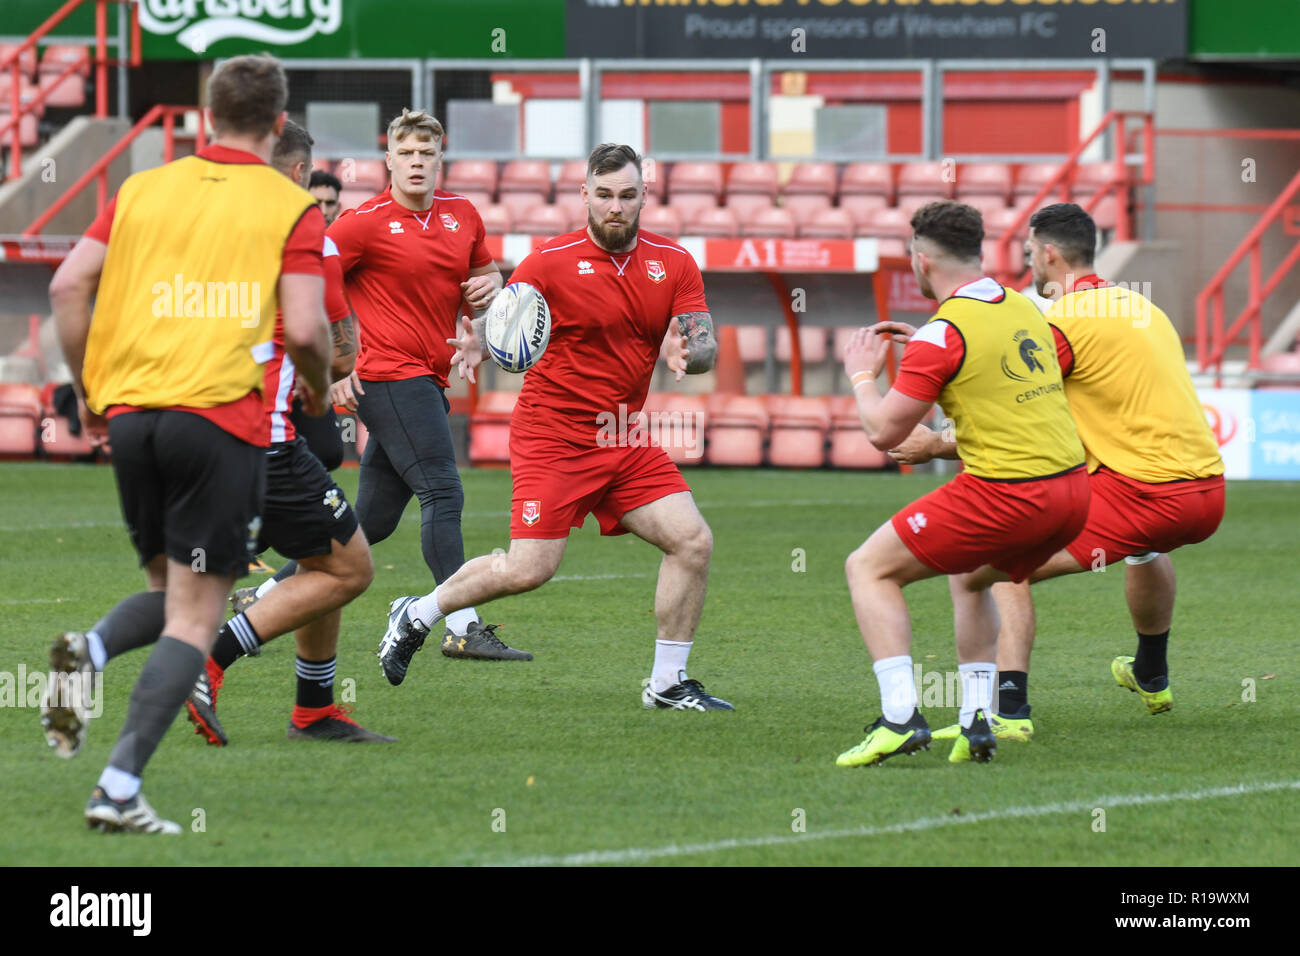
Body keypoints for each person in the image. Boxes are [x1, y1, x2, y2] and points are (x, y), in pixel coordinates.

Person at [44, 54, 332, 833]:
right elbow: (305, 326)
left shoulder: (142, 187)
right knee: (195, 618)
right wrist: (321, 384)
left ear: (206, 116)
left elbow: (68, 285)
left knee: (174, 593)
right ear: (277, 126)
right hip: (219, 420)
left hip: (134, 414)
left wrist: (90, 391)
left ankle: (93, 652)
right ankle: (116, 787)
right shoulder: (287, 203)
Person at [376, 142, 733, 711]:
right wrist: (480, 344)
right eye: (605, 195)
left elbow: (705, 340)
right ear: (585, 196)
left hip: (621, 432)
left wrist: (694, 353)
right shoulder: (551, 259)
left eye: (628, 195)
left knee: (691, 541)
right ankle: (416, 613)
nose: (616, 207)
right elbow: (509, 324)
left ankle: (668, 684)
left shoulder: (675, 262)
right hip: (553, 435)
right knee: (528, 569)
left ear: (644, 197)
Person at [888, 203, 1225, 741]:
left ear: (1048, 253)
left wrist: (935, 441)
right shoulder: (1139, 307)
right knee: (1145, 549)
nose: (1029, 269)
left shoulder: (1066, 321)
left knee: (995, 561)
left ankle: (1010, 710)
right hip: (1206, 492)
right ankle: (1151, 674)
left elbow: (1021, 413)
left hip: (1144, 493)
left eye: (1029, 256)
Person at [834, 200, 1089, 768]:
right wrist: (929, 345)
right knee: (970, 577)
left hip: (1010, 492)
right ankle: (977, 721)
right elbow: (1001, 382)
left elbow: (882, 432)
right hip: (1073, 493)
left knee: (867, 568)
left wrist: (860, 374)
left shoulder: (942, 335)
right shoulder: (1025, 307)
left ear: (920, 262)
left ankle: (900, 719)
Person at [182, 120, 392, 747]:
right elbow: (344, 354)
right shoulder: (306, 234)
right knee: (352, 570)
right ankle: (211, 656)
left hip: (195, 428)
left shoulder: (208, 230)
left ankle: (314, 708)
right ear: (302, 174)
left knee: (317, 555)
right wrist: (322, 366)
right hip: (262, 439)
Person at [327, 108, 531, 663]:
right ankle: (460, 625)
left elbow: (486, 279)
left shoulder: (463, 215)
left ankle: (268, 598)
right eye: (407, 153)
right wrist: (335, 361)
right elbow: (310, 279)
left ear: (441, 159)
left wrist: (488, 301)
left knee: (372, 521)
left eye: (427, 153)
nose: (417, 162)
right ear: (388, 160)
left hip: (429, 376)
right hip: (387, 375)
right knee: (443, 491)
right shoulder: (361, 222)